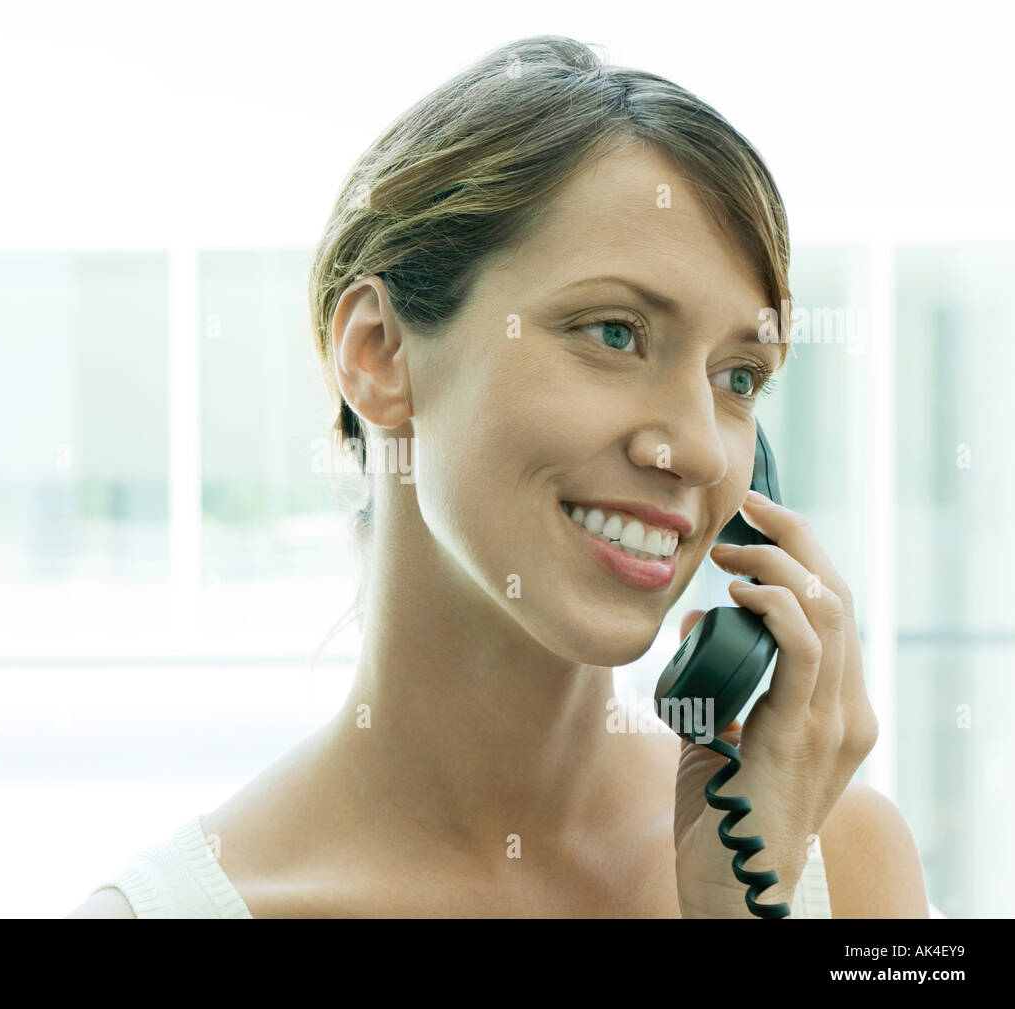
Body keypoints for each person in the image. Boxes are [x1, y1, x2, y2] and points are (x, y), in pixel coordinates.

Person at [69, 34, 929, 918]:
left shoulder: (840, 867)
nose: (702, 450)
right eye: (615, 332)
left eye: (737, 376)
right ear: (378, 353)